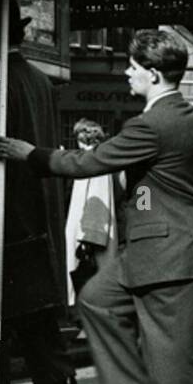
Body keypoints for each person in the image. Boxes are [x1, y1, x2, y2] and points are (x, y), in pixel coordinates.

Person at [0, 29, 193, 384]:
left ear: (154, 74)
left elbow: (89, 163)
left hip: (172, 256)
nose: (126, 73)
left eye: (133, 67)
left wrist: (31, 154)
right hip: (163, 248)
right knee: (97, 297)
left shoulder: (152, 124)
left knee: (174, 365)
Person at [0, 0, 73, 384]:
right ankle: (55, 377)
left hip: (6, 203)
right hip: (37, 202)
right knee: (35, 304)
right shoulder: (38, 80)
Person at [64, 119, 117, 308]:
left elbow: (97, 200)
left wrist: (87, 239)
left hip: (88, 236)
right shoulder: (91, 160)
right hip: (86, 232)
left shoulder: (93, 163)